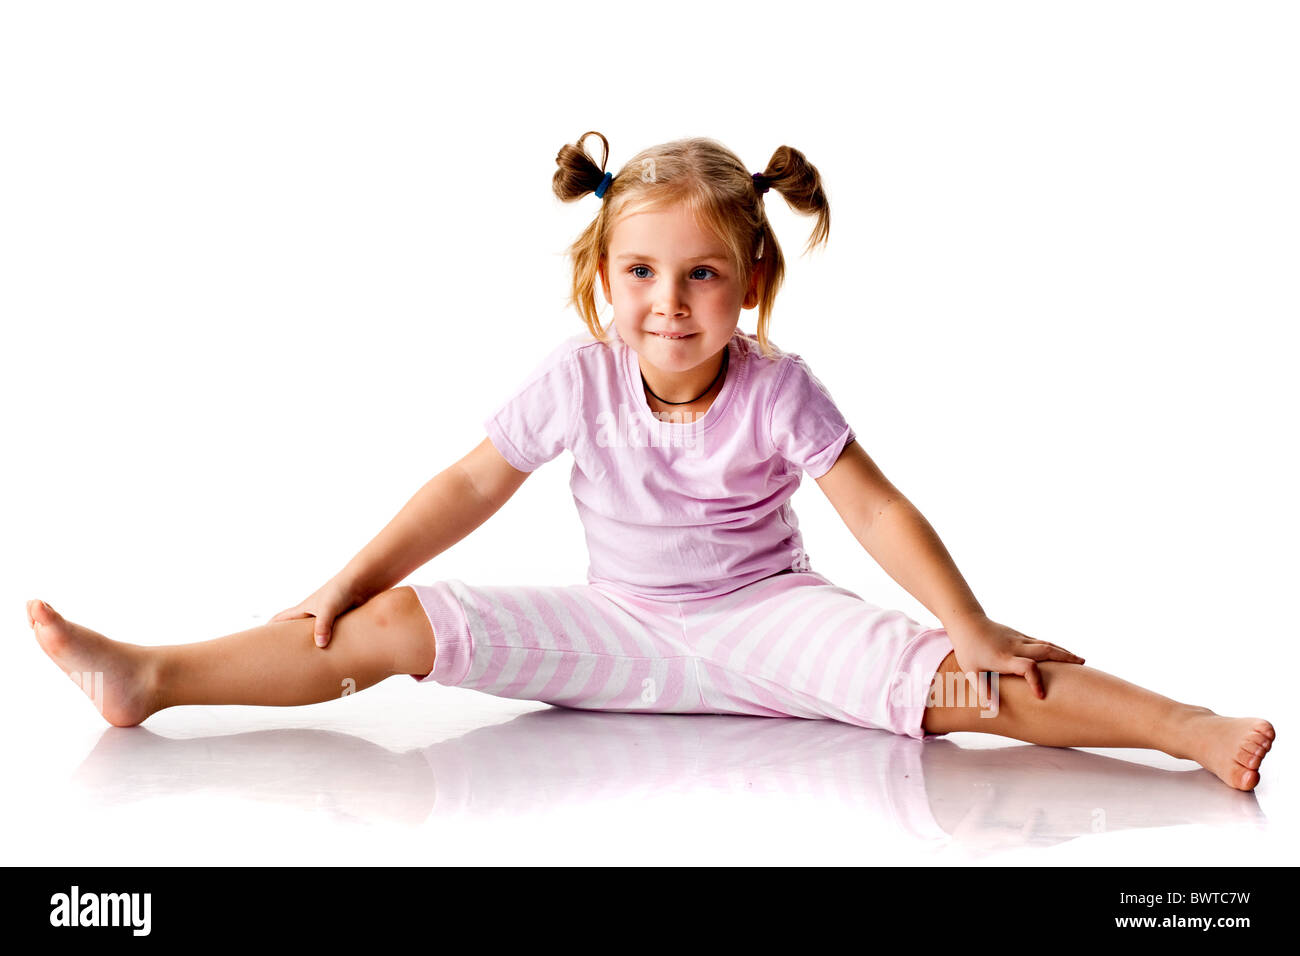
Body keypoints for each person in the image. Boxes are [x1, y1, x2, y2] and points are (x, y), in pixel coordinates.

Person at [28, 131, 1274, 791]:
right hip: (616, 629)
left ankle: (1185, 724)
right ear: (601, 277)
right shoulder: (575, 376)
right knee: (390, 622)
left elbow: (876, 509)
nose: (668, 304)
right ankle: (152, 672)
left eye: (700, 275)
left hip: (768, 622)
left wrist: (972, 620)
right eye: (640, 273)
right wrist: (346, 573)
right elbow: (468, 484)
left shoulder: (780, 392)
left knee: (969, 681)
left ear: (749, 285)